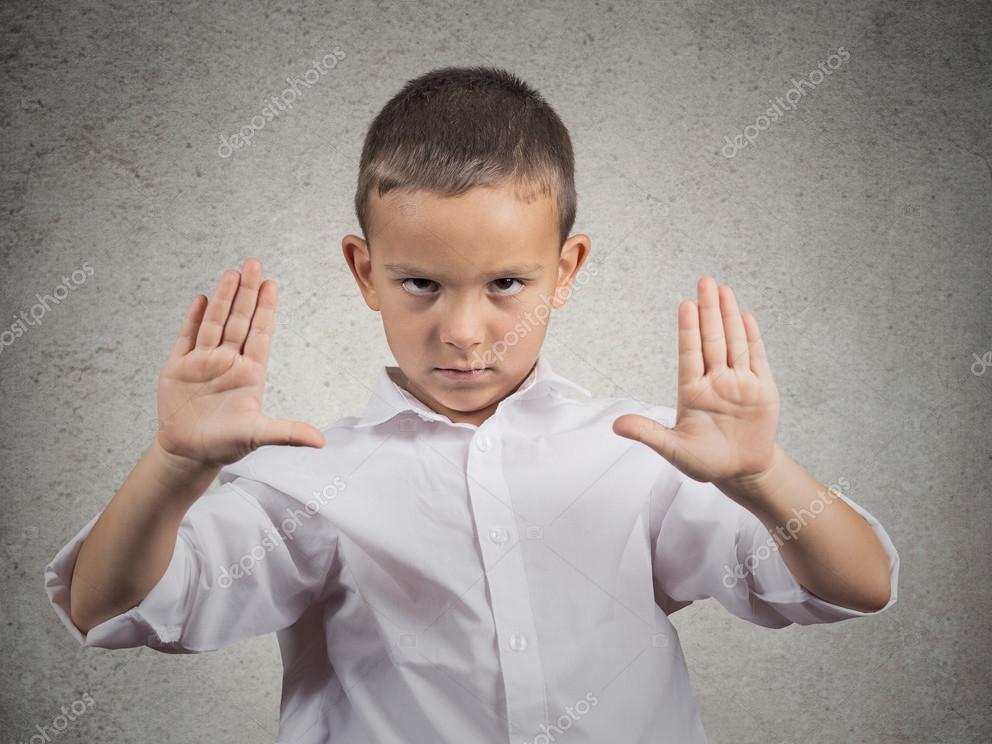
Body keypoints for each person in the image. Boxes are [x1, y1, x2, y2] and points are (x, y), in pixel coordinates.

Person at [45, 66, 899, 743]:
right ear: (362, 271)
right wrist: (174, 467)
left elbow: (858, 585)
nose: (463, 331)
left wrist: (761, 476)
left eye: (506, 285)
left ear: (565, 271)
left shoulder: (643, 454)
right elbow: (108, 607)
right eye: (420, 283)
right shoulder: (305, 477)